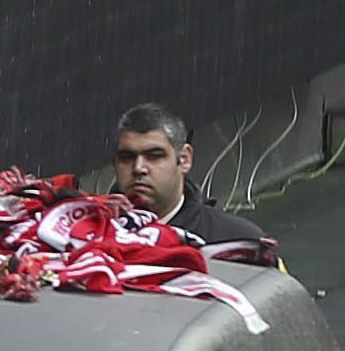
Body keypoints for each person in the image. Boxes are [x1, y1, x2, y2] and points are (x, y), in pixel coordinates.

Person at [111, 103, 268, 253]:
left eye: (154, 156)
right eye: (127, 157)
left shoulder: (239, 243)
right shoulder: (90, 236)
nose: (139, 168)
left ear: (184, 159)